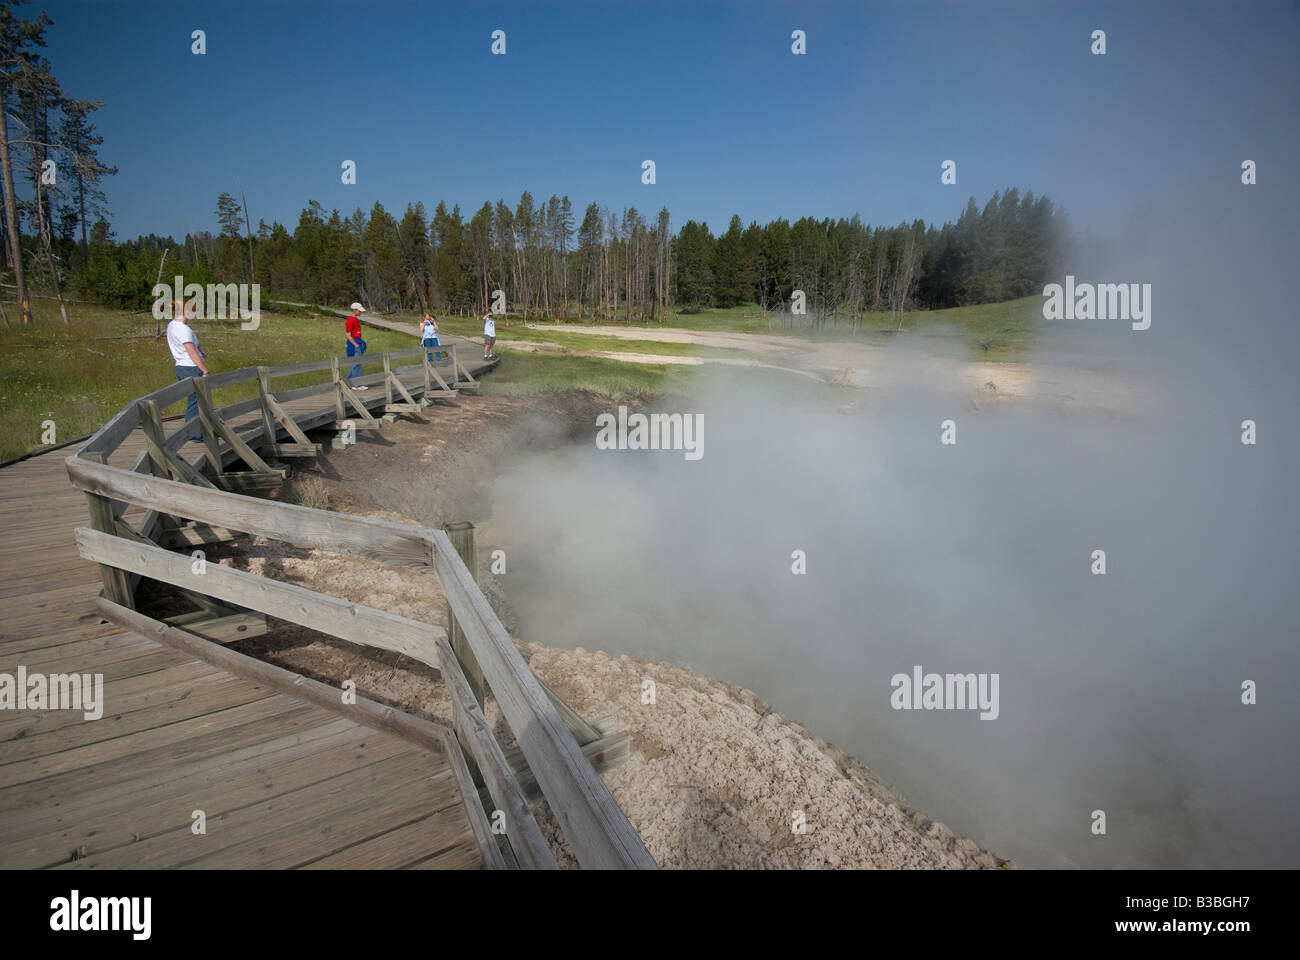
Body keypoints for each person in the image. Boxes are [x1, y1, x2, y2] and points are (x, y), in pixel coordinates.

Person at [165, 298, 209, 442]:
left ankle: (198, 431)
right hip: (191, 367)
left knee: (194, 400)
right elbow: (190, 351)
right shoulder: (183, 329)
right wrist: (204, 370)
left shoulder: (172, 325)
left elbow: (191, 343)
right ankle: (195, 435)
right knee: (195, 402)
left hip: (180, 366)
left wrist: (200, 347)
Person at [346, 302, 368, 390]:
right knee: (356, 364)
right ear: (354, 310)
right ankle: (356, 384)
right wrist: (356, 345)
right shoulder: (350, 320)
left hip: (357, 342)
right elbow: (348, 335)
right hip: (354, 344)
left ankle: (349, 383)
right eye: (359, 311)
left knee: (355, 364)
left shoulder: (355, 319)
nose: (361, 312)